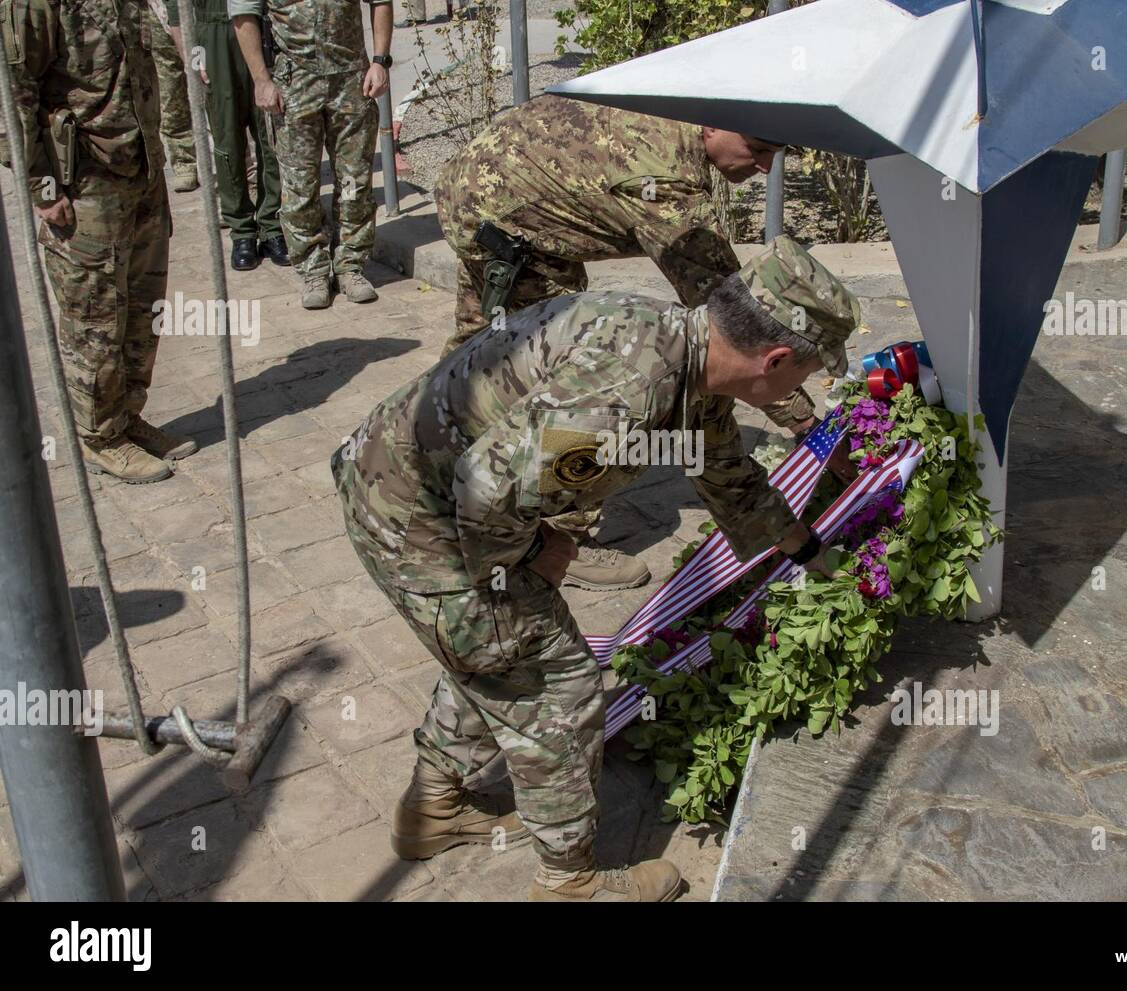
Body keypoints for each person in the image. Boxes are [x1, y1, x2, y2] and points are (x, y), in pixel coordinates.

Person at [332, 235, 858, 902]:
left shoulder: (686, 349)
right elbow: (486, 491)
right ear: (775, 357)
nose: (797, 391)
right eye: (804, 376)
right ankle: (569, 884)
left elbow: (731, 480)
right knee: (557, 682)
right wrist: (526, 560)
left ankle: (433, 807)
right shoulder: (629, 392)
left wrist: (811, 550)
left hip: (416, 482)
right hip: (422, 517)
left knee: (497, 657)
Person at [432, 93, 847, 593]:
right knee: (556, 377)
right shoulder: (667, 186)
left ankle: (429, 442)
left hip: (487, 196)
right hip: (506, 219)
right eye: (758, 149)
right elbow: (739, 327)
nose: (763, 166)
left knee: (484, 350)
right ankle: (558, 538)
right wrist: (806, 425)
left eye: (773, 155)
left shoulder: (675, 109)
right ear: (712, 127)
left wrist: (794, 538)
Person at [2, 0, 197, 483]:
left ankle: (128, 417)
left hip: (139, 169)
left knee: (141, 307)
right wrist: (42, 188)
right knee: (94, 316)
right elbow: (10, 93)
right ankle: (100, 437)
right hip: (83, 180)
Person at [230, 0, 392, 306]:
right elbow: (243, 14)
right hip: (294, 83)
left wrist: (380, 61)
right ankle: (313, 271)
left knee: (354, 182)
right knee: (299, 186)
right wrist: (261, 80)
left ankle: (351, 267)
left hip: (351, 79)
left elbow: (381, 1)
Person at [164, 0, 289, 270]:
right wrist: (193, 61)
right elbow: (178, 15)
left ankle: (272, 225)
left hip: (260, 29)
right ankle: (242, 230)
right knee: (227, 141)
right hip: (213, 37)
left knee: (270, 137)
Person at [145, 1, 199, 193]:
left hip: (197, 10)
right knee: (170, 90)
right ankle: (184, 161)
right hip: (156, 12)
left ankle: (229, 162)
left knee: (208, 81)